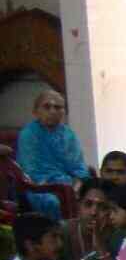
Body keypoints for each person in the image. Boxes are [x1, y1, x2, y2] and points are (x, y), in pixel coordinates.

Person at [16, 90, 89, 219]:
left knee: (95, 200)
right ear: (36, 112)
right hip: (41, 187)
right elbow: (30, 171)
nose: (52, 111)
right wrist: (60, 188)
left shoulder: (68, 134)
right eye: (47, 107)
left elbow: (79, 168)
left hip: (70, 185)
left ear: (64, 112)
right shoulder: (28, 134)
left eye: (58, 107)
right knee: (54, 202)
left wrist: (77, 188)